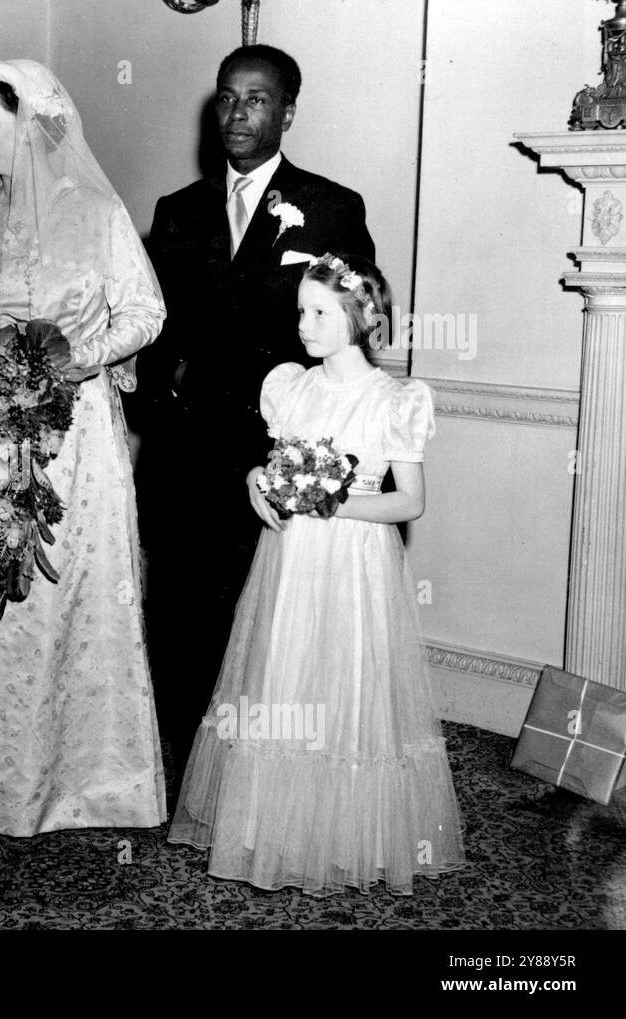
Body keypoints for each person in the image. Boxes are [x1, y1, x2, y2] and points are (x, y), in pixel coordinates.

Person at [0, 60, 167, 836]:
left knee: (66, 601)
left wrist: (73, 359)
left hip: (73, 438)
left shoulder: (93, 210)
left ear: (34, 125)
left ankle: (83, 784)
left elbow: (146, 310)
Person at [168, 253, 465, 895]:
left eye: (320, 312)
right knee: (284, 670)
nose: (303, 325)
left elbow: (408, 502)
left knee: (345, 680)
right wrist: (257, 478)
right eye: (301, 310)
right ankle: (270, 827)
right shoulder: (291, 386)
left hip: (354, 561)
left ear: (360, 318)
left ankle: (342, 834)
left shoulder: (394, 400)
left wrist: (329, 501)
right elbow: (273, 464)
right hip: (291, 560)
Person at [142, 43, 376, 761]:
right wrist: (166, 386)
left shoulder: (332, 208)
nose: (236, 113)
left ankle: (249, 773)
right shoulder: (176, 211)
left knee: (261, 619)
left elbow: (357, 330)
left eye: (256, 99)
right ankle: (184, 771)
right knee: (179, 618)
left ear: (288, 112)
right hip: (186, 453)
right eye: (226, 97)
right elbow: (149, 324)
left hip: (271, 455)